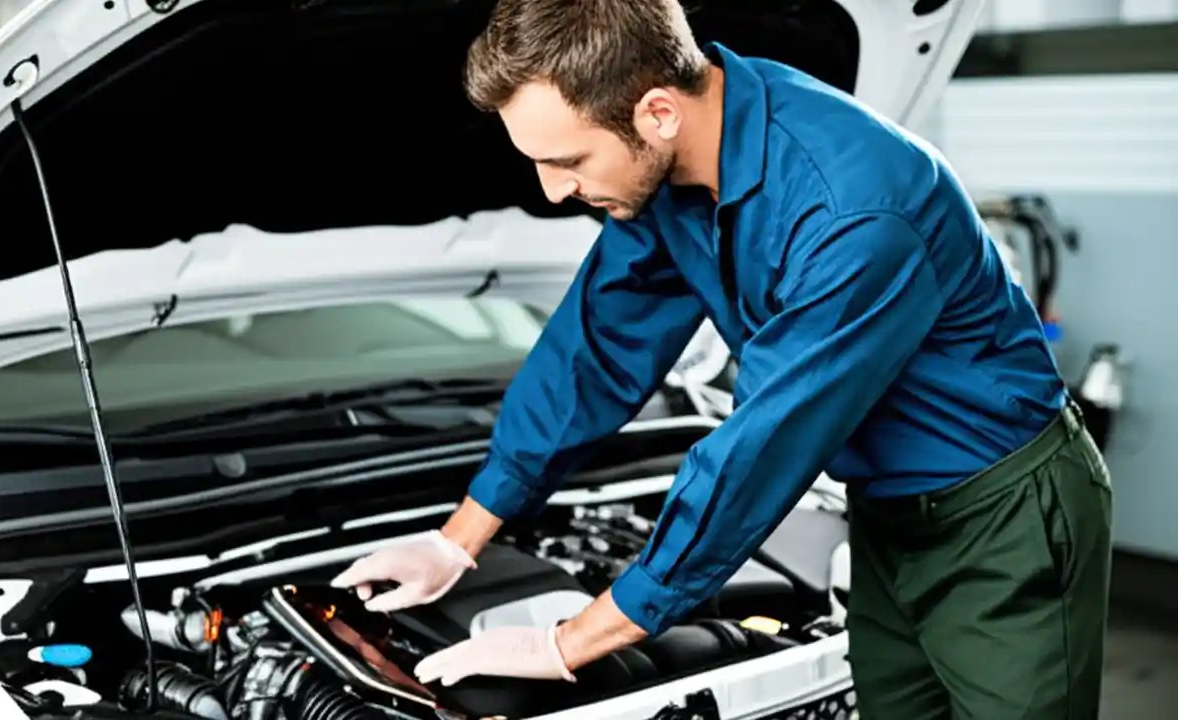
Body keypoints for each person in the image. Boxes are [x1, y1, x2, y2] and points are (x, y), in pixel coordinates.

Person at [329, 1, 1114, 717]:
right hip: (886, 516)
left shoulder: (855, 212)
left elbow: (760, 448)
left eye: (568, 160)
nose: (552, 190)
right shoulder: (672, 166)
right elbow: (595, 348)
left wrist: (569, 643)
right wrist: (458, 538)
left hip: (1005, 517)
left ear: (657, 111)